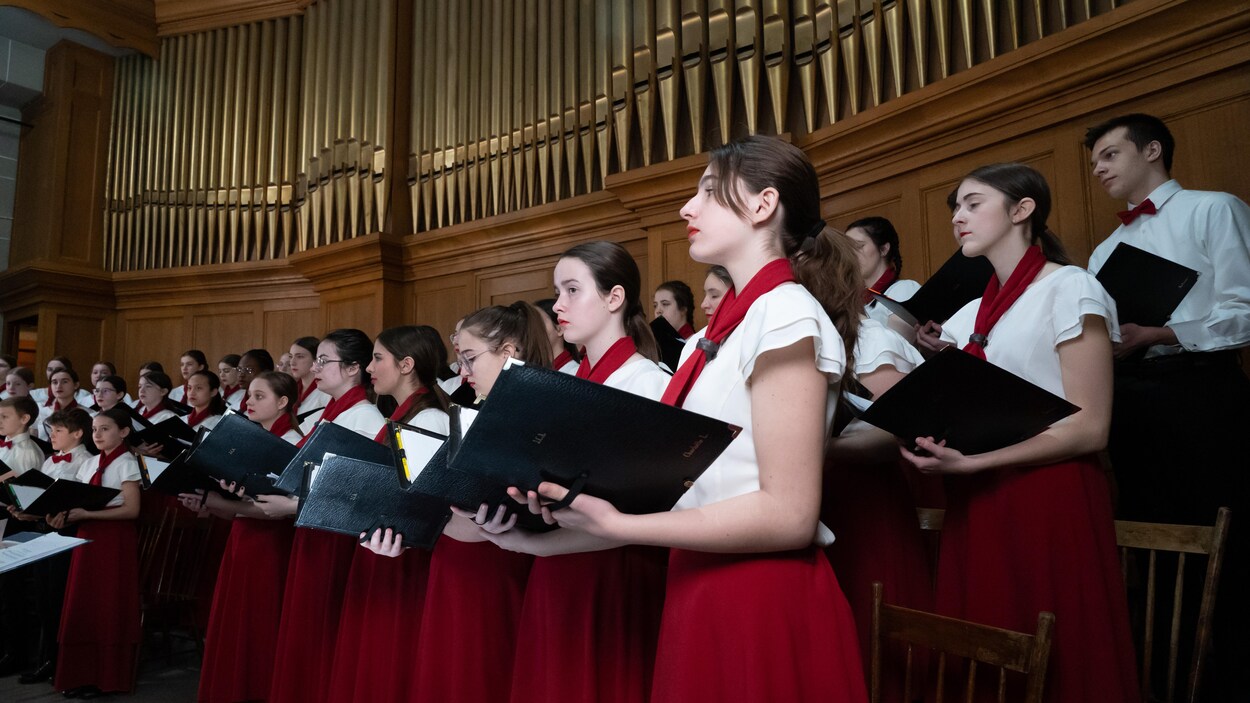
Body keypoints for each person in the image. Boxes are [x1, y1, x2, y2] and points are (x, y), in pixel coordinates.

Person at [525, 136, 868, 701]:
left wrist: (624, 526)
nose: (687, 207)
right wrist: (541, 537)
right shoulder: (710, 338)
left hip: (760, 597)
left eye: (708, 191)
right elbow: (686, 494)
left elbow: (789, 515)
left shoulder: (785, 317)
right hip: (701, 581)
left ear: (762, 205)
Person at [908, 163, 1138, 702]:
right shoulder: (968, 314)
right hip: (979, 494)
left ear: (1022, 209)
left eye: (971, 203)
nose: (958, 218)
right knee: (983, 646)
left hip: (1049, 495)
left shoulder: (1071, 287)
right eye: (954, 209)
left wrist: (974, 463)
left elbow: (1091, 426)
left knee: (1060, 653)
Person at [1084, 112, 1250, 699]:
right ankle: (1162, 677)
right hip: (1131, 399)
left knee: (1219, 535)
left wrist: (1158, 334)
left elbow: (1245, 309)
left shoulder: (1213, 209)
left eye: (1109, 155)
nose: (1099, 168)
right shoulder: (1105, 249)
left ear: (1152, 150)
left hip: (1200, 392)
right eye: (1096, 160)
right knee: (1149, 538)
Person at [479, 241, 670, 703]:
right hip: (561, 565)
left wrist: (530, 541)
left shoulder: (647, 381)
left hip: (612, 574)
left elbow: (648, 506)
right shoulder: (569, 385)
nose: (558, 306)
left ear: (614, 298)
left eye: (571, 290)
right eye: (556, 292)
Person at [372, 302, 551, 703]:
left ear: (509, 353)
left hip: (490, 568)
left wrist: (422, 519)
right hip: (455, 560)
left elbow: (509, 513)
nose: (462, 372)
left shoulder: (527, 416)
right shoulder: (478, 410)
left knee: (479, 676)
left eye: (470, 359)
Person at [327, 325, 451, 702]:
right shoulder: (403, 415)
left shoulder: (430, 420)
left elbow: (428, 506)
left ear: (407, 364)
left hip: (404, 557)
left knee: (393, 660)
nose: (369, 368)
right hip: (385, 548)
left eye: (378, 358)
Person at [264, 329, 385, 703]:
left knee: (321, 630)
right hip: (313, 529)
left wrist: (291, 504)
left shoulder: (365, 417)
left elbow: (355, 491)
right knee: (305, 629)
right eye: (315, 360)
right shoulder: (334, 412)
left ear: (352, 368)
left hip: (335, 537)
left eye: (323, 360)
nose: (314, 368)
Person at [191, 372, 302, 703]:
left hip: (270, 544)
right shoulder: (254, 437)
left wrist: (219, 501)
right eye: (248, 396)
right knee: (235, 624)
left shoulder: (295, 442)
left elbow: (278, 509)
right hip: (244, 536)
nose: (248, 402)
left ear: (282, 402)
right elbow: (249, 503)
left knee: (258, 626)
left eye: (258, 396)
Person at [48, 407, 143, 698]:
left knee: (108, 605)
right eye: (95, 429)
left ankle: (107, 678)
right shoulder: (89, 464)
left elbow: (132, 509)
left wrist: (89, 514)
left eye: (105, 429)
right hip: (86, 538)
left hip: (114, 541)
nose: (98, 434)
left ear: (124, 432)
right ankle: (80, 674)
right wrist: (59, 516)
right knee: (84, 603)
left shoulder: (127, 462)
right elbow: (75, 498)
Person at [3, 408, 94, 685]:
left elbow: (81, 498)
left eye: (58, 431)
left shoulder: (86, 462)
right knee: (43, 600)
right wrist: (23, 510)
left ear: (78, 434)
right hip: (45, 533)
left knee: (57, 600)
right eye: (51, 430)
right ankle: (42, 658)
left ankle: (56, 661)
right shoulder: (50, 462)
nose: (51, 435)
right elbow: (40, 499)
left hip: (69, 536)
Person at [846, 216, 921, 326]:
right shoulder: (856, 302)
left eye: (858, 246)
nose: (850, 254)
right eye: (846, 249)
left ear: (883, 249)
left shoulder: (904, 289)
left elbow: (897, 342)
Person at [288, 337, 330, 429]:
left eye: (300, 356)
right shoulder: (291, 389)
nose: (292, 362)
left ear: (316, 360)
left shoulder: (326, 392)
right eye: (291, 356)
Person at [0, 396, 44, 481]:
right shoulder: (4, 445)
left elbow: (23, 488)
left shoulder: (27, 453)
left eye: (4, 417)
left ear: (24, 419)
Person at [535, 298, 582, 374]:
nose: (532, 330)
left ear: (560, 329)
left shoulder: (576, 373)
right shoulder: (536, 372)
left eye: (538, 322)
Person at [235, 349, 275, 417]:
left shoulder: (270, 402)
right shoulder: (243, 400)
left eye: (248, 370)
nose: (241, 374)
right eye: (239, 369)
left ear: (265, 372)